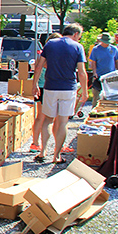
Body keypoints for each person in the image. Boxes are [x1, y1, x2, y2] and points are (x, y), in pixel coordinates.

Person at [32, 24, 87, 164]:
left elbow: (39, 66)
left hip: (50, 87)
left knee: (48, 120)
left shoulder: (50, 44)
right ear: (75, 34)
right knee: (62, 122)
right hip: (68, 88)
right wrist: (85, 91)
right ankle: (56, 155)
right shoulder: (77, 47)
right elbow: (81, 72)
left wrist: (35, 84)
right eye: (79, 36)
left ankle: (42, 151)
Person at [31, 33, 62, 154]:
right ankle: (47, 146)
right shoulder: (55, 57)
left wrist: (35, 84)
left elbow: (36, 69)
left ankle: (35, 143)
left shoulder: (41, 55)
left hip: (41, 87)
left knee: (40, 117)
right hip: (49, 88)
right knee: (50, 119)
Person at [89, 32, 118, 108]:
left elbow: (116, 61)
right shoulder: (96, 49)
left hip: (111, 76)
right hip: (99, 75)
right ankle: (94, 110)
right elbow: (93, 62)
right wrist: (94, 73)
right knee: (96, 95)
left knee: (111, 96)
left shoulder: (113, 49)